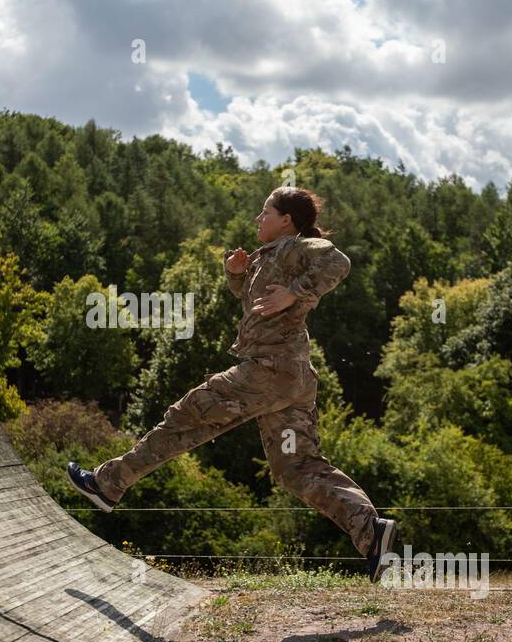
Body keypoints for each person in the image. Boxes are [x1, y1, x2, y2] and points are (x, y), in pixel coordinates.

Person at [67, 186, 399, 582]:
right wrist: (236, 275)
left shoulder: (297, 248)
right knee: (297, 467)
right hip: (291, 380)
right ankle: (371, 531)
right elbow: (254, 302)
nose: (258, 219)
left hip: (268, 372)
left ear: (286, 220)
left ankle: (108, 484)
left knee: (187, 417)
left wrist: (294, 294)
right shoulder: (272, 256)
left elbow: (338, 262)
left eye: (265, 212)